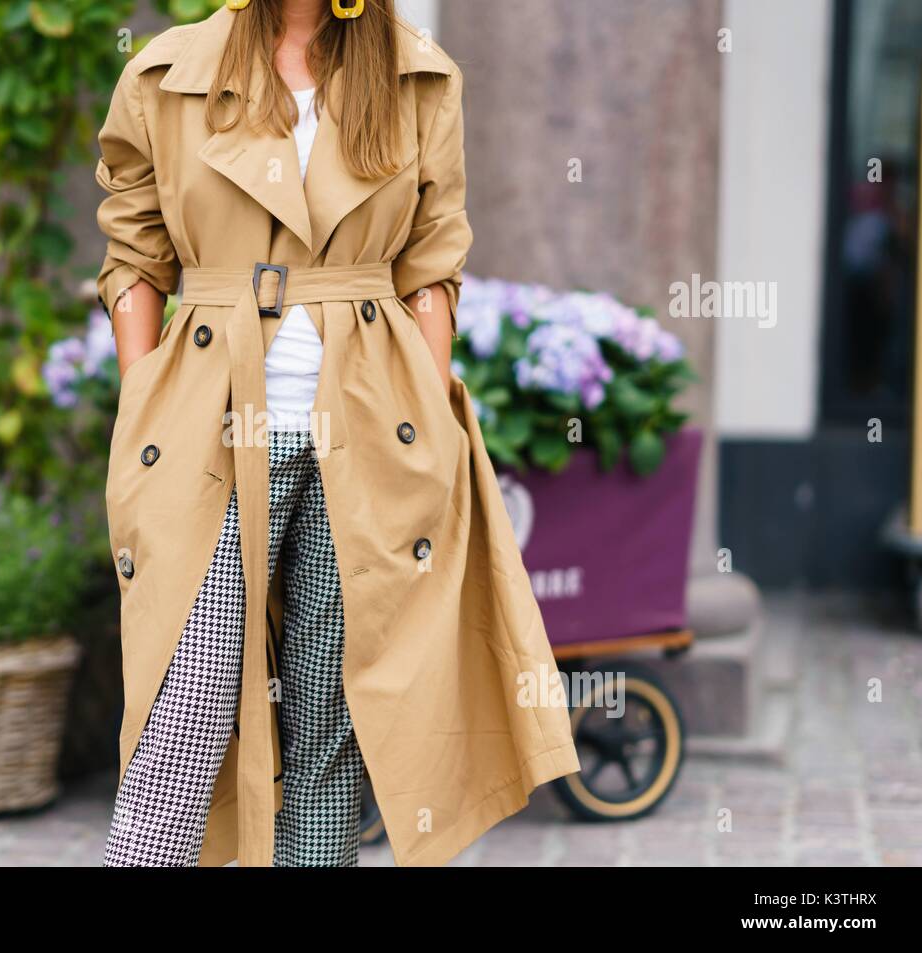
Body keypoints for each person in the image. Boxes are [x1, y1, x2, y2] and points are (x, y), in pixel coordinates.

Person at [94, 0, 580, 868]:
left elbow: (432, 263)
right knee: (186, 704)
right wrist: (141, 399)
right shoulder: (168, 72)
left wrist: (425, 419)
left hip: (368, 427)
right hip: (208, 425)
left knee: (331, 718)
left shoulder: (417, 75)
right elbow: (134, 250)